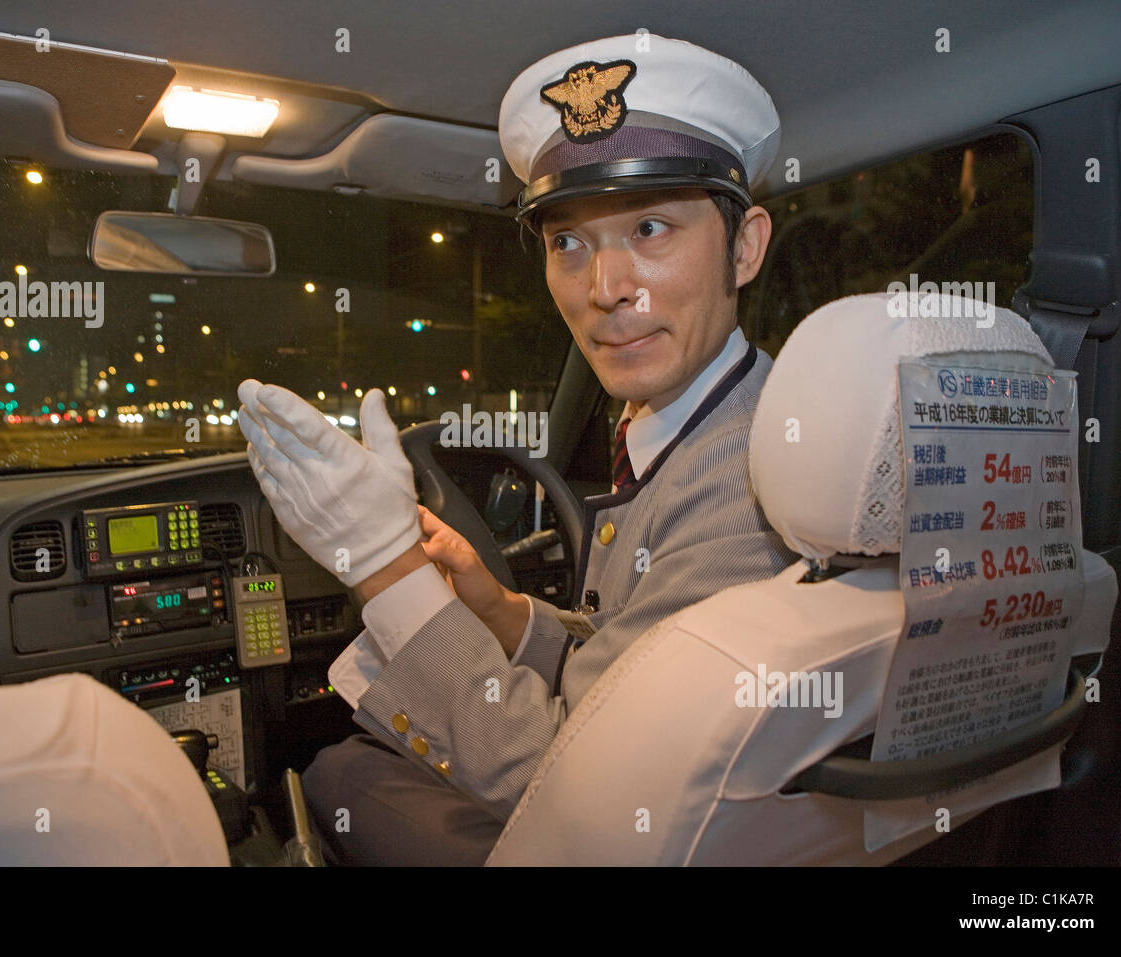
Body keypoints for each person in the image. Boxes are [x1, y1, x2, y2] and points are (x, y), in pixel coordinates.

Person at [237, 33, 796, 865]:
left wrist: (384, 563)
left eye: (650, 226)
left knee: (333, 771)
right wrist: (501, 614)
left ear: (745, 246)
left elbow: (576, 784)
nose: (605, 288)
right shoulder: (731, 423)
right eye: (567, 241)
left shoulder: (756, 486)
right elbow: (636, 669)